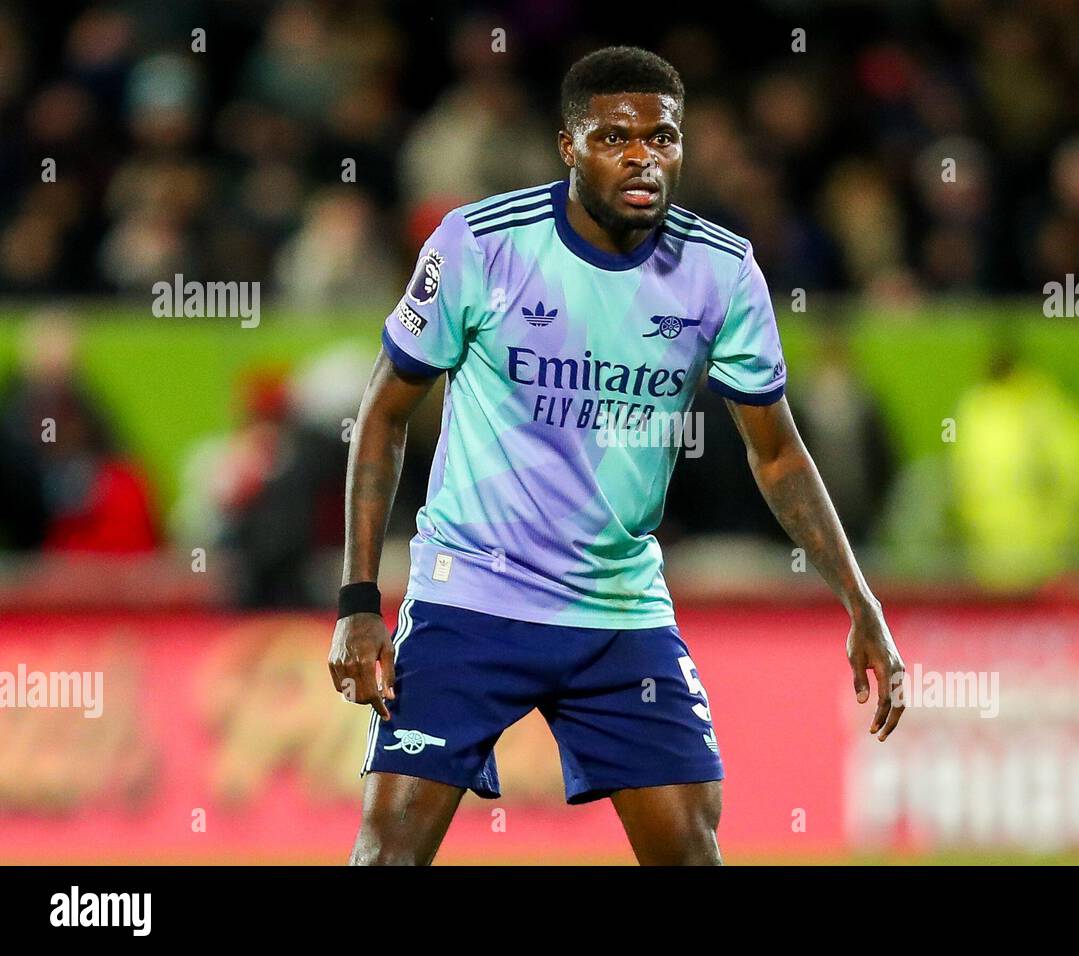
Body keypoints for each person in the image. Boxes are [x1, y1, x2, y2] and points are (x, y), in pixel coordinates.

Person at [328, 46, 905, 866]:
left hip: (617, 609)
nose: (643, 157)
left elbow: (777, 455)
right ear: (568, 146)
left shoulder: (720, 272)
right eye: (614, 138)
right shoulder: (480, 245)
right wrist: (357, 602)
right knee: (389, 851)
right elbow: (382, 417)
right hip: (472, 599)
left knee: (691, 848)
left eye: (663, 138)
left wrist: (859, 599)